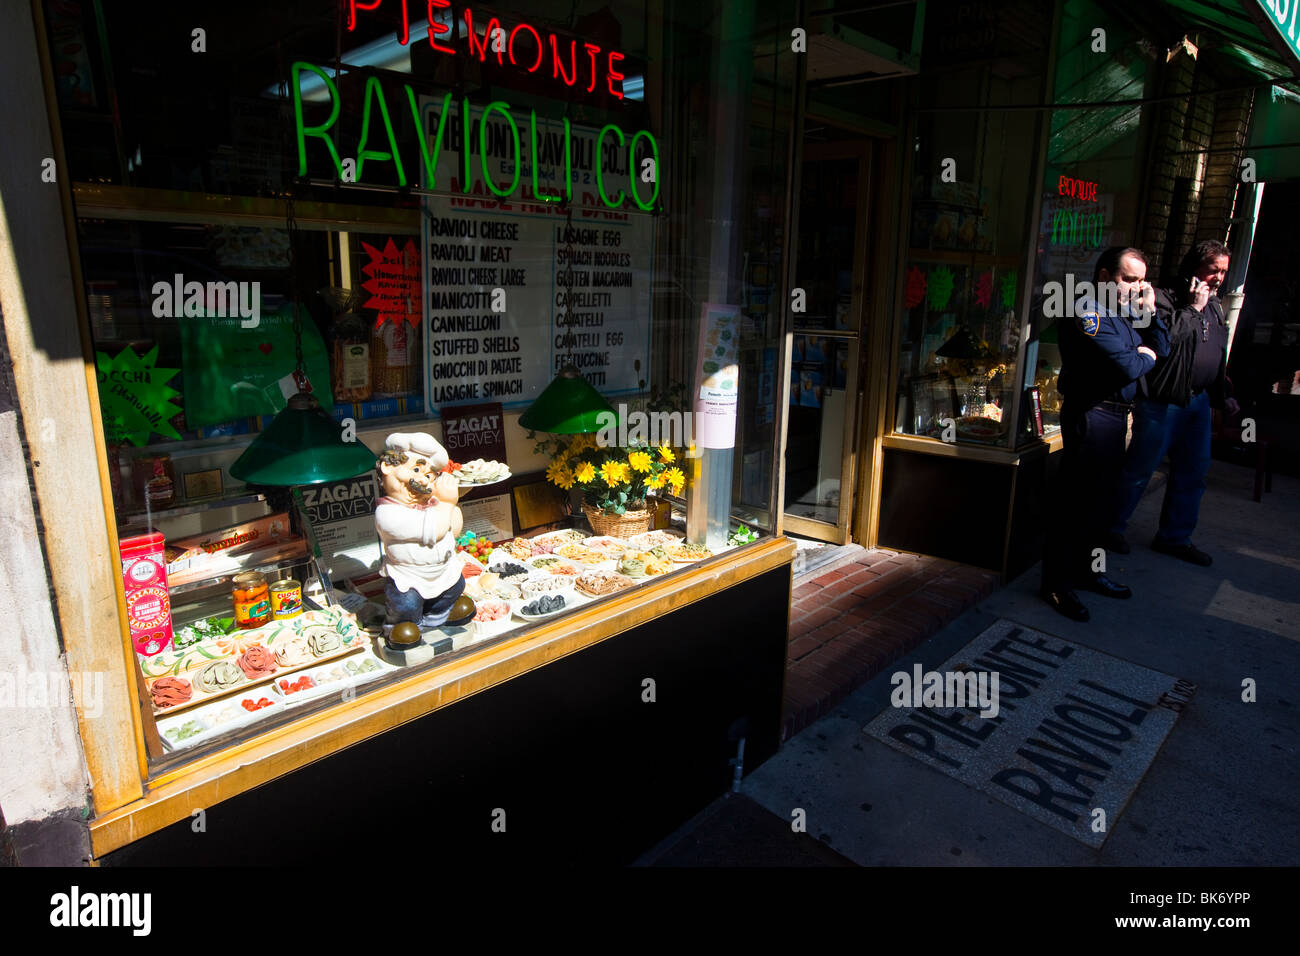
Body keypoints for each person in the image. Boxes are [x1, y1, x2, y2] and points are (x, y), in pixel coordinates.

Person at [1041, 246, 1168, 622]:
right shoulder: (1087, 310)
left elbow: (1163, 347)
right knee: (1075, 505)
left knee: (1100, 507)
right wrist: (1145, 355)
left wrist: (1152, 321)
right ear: (1103, 276)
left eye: (1143, 279)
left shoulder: (1127, 312)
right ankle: (1057, 585)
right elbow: (1130, 365)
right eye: (1129, 279)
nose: (1137, 287)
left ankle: (1089, 571)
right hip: (1092, 414)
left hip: (1117, 417)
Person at [1107, 240, 1239, 565]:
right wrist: (1192, 308)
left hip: (1199, 402)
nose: (1219, 278)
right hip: (1164, 402)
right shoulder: (1164, 299)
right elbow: (1165, 343)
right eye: (1213, 270)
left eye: (1223, 271)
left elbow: (1217, 354)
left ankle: (1174, 537)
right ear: (1195, 267)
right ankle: (1110, 528)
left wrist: (1224, 394)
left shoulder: (1216, 306)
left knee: (1193, 473)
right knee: (1140, 468)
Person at [374, 432, 467, 629]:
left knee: (457, 585)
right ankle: (402, 625)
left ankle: (437, 615)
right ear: (388, 467)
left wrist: (451, 504)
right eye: (415, 469)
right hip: (409, 578)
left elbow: (453, 530)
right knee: (407, 603)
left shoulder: (433, 504)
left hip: (442, 573)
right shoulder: (387, 513)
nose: (423, 481)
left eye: (428, 476)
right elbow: (436, 529)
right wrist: (448, 502)